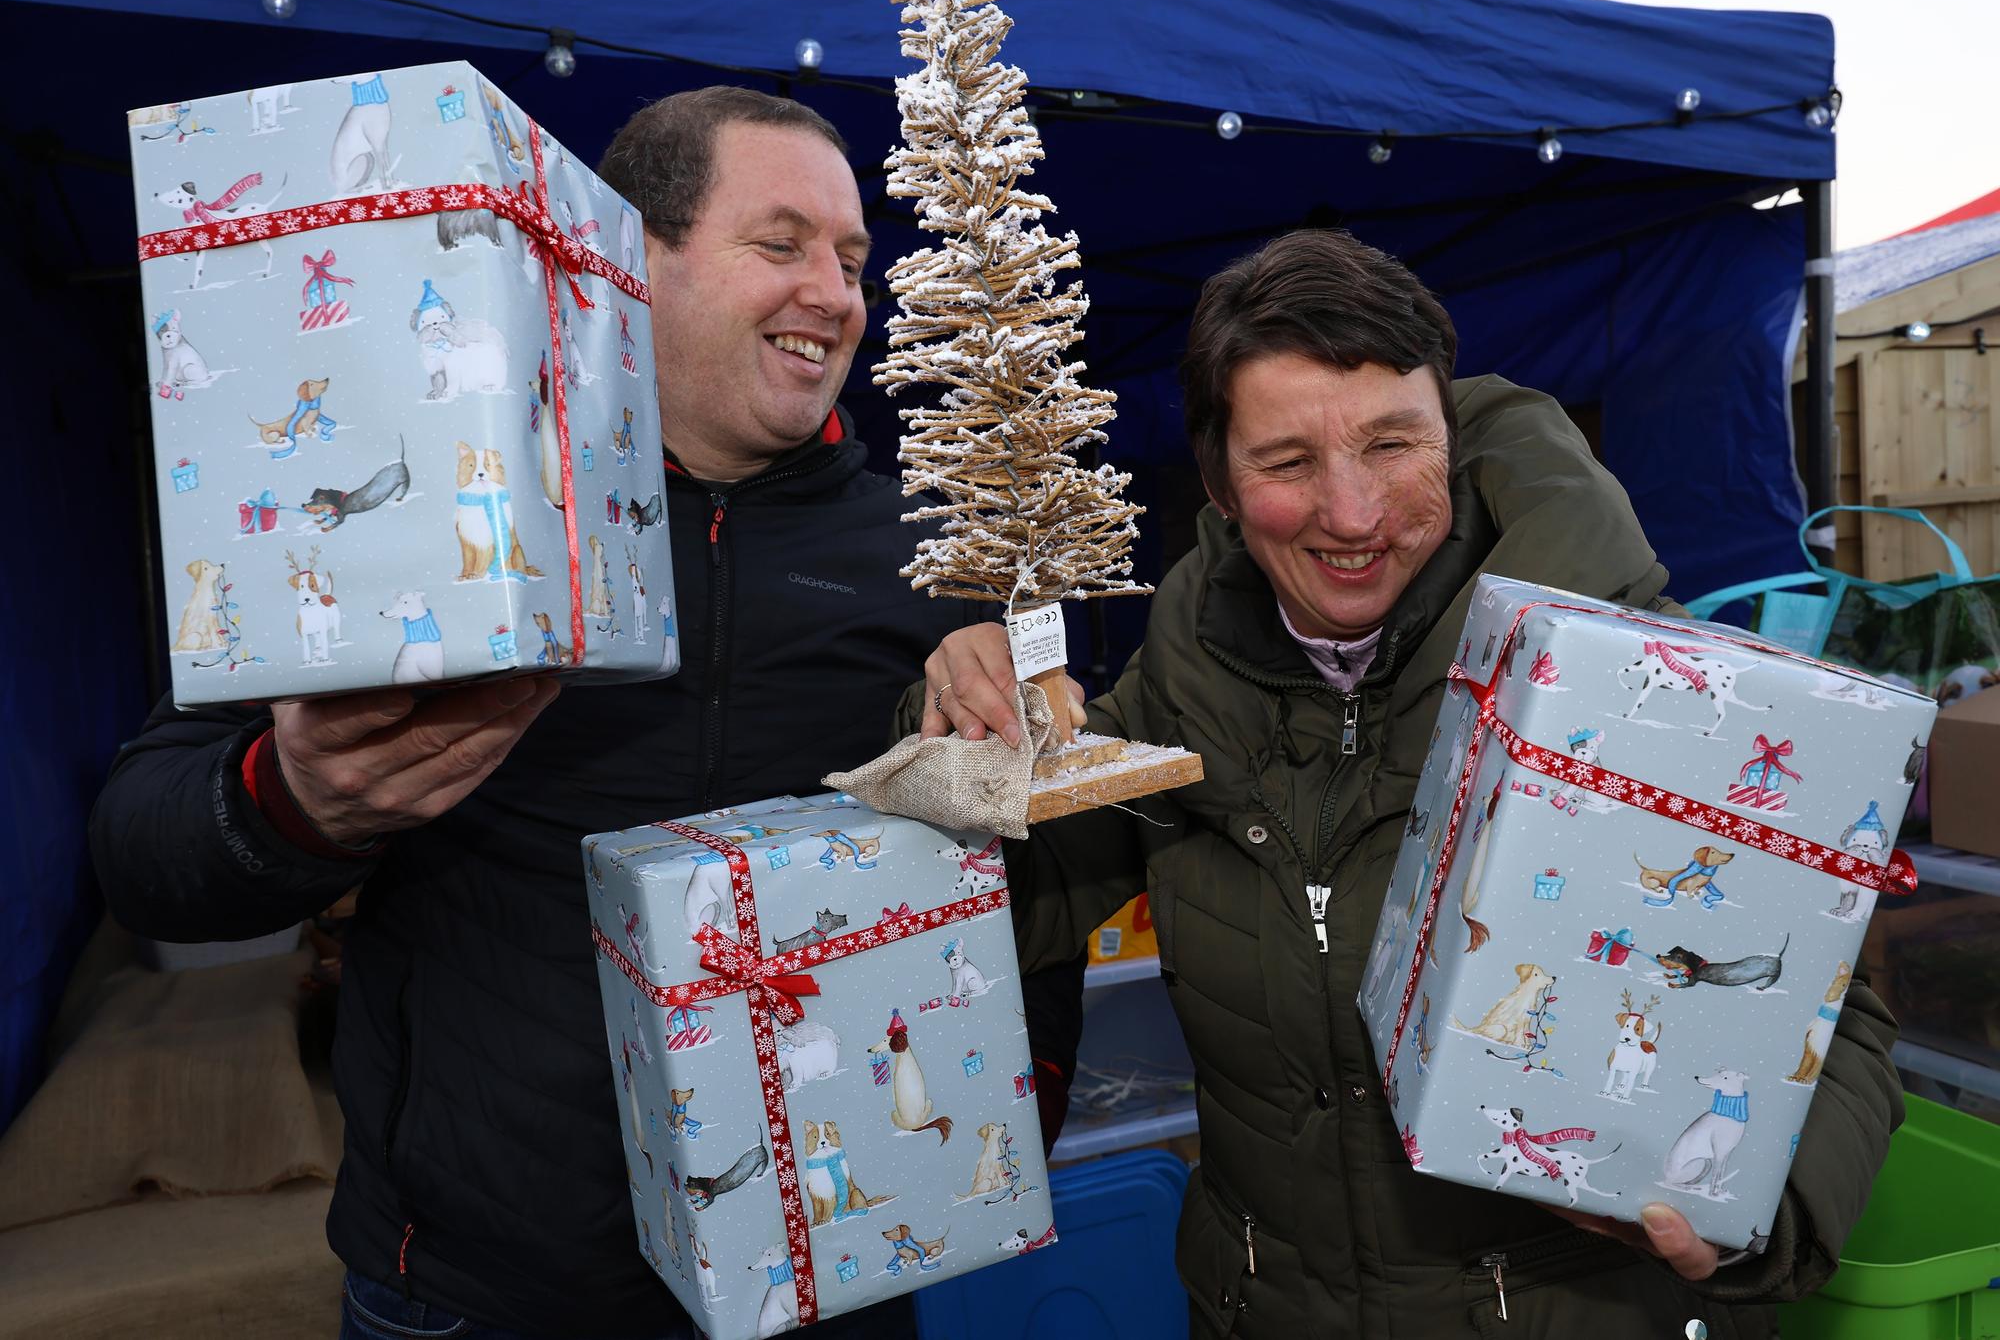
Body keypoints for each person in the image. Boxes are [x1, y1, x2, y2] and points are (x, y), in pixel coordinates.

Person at [90, 87, 1083, 1340]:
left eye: (848, 259)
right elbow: (144, 853)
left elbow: (1030, 884)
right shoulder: (456, 514)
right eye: (779, 245)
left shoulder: (933, 557)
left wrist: (1014, 1092)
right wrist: (295, 804)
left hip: (826, 1273)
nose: (832, 295)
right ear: (628, 256)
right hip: (479, 1290)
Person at [916, 229, 1902, 1339]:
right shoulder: (1177, 688)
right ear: (1218, 485)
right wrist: (954, 736)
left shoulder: (1644, 684)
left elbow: (1831, 1019)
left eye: (1392, 444)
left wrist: (1749, 1212)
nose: (1350, 512)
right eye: (1286, 464)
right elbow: (987, 912)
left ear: (1452, 432)